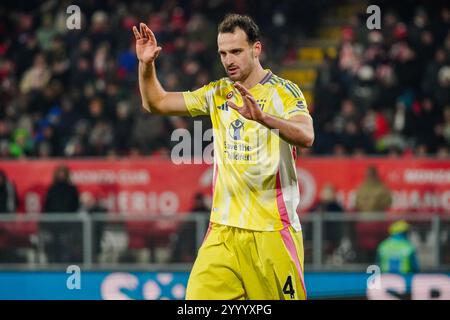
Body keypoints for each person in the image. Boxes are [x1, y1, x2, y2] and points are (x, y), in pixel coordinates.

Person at [133, 13, 314, 300]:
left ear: (256, 49)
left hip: (272, 232)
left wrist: (264, 118)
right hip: (223, 231)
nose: (228, 59)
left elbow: (306, 135)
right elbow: (156, 102)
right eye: (223, 53)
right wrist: (146, 64)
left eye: (236, 51)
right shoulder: (218, 92)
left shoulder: (284, 92)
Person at [41, 165, 80, 263]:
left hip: (68, 223)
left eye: (63, 173)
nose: (61, 175)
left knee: (66, 245)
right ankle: (53, 263)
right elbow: (47, 205)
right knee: (53, 245)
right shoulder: (52, 188)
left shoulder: (72, 189)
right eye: (60, 173)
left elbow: (75, 205)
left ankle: (65, 263)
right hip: (53, 223)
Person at [354, 166, 393, 262]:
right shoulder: (361, 188)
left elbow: (387, 202)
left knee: (378, 249)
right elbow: (357, 202)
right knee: (364, 250)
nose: (369, 176)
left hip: (378, 223)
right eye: (367, 174)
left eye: (370, 174)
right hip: (364, 224)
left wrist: (375, 205)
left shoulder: (382, 188)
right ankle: (363, 269)